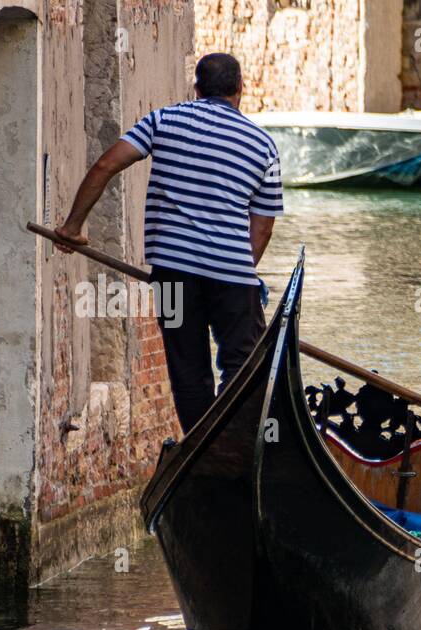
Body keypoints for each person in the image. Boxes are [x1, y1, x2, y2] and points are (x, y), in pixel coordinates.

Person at [55, 53, 283, 432]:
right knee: (244, 365)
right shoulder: (263, 144)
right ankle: (232, 441)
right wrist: (237, 270)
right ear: (241, 89)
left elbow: (105, 166)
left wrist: (73, 227)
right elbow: (262, 229)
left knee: (187, 366)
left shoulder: (163, 120)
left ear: (196, 89)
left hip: (173, 280)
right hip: (233, 279)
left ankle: (202, 447)